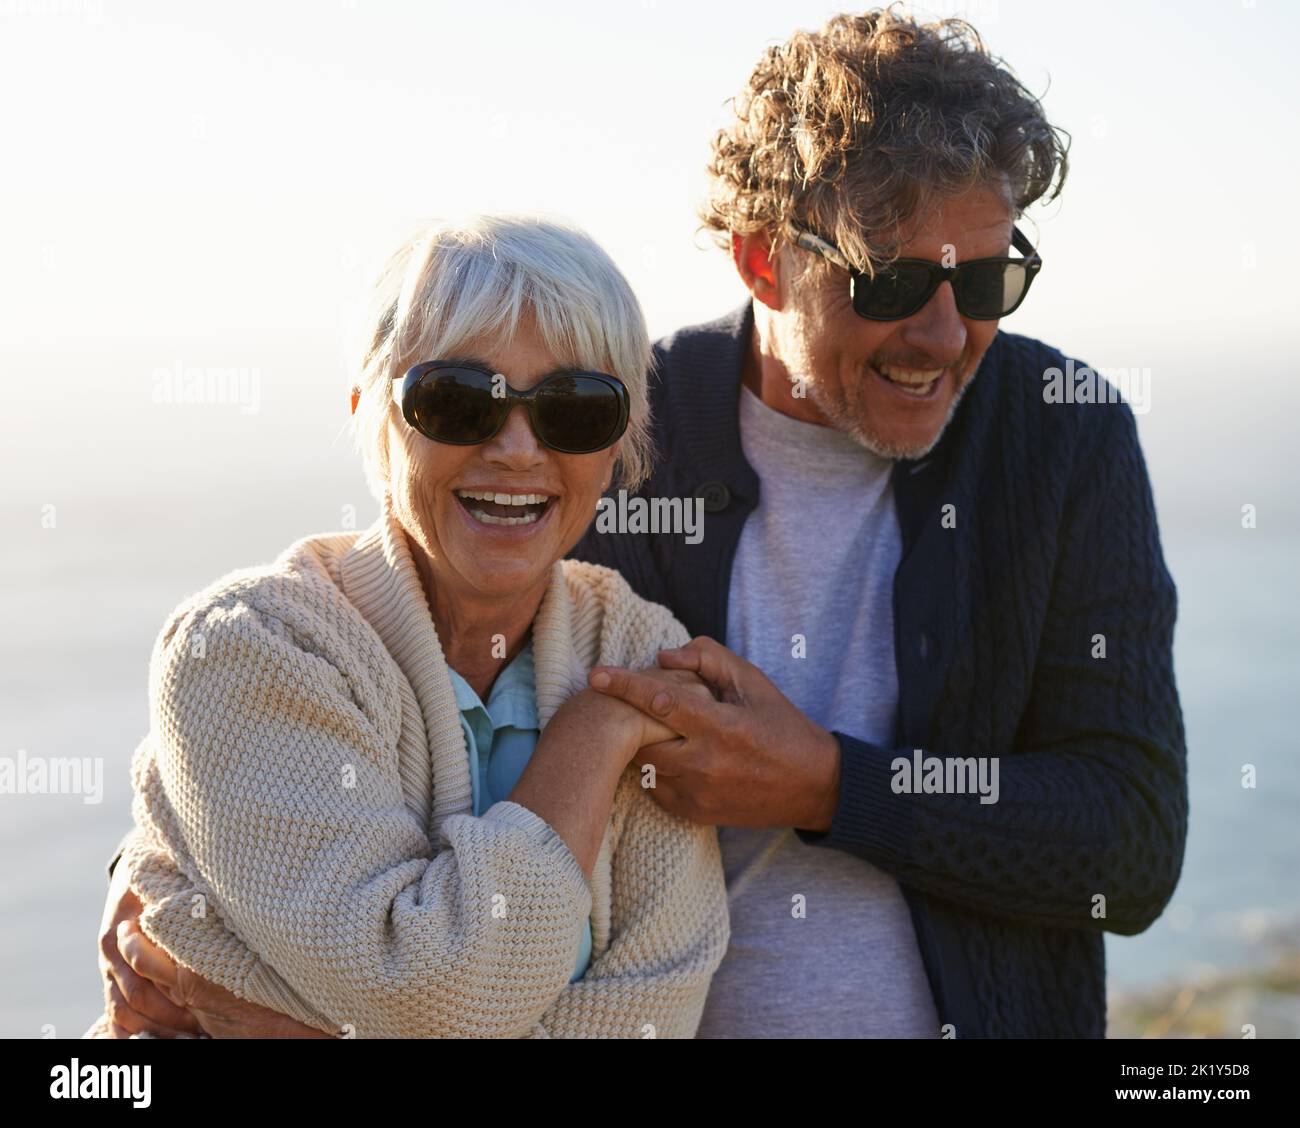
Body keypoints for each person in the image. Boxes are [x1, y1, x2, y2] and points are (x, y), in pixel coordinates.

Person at [98, 9, 1187, 1039]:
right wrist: (173, 882)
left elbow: (1129, 844)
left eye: (989, 279)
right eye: (892, 281)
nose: (947, 335)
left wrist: (825, 784)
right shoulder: (596, 422)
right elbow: (367, 658)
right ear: (764, 256)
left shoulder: (1059, 438)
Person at [87, 214, 728, 1039]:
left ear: (618, 447)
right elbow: (426, 993)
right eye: (459, 401)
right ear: (369, 417)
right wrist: (593, 739)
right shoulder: (245, 652)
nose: (517, 448)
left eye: (574, 410)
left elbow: (654, 1020)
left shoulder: (639, 653)